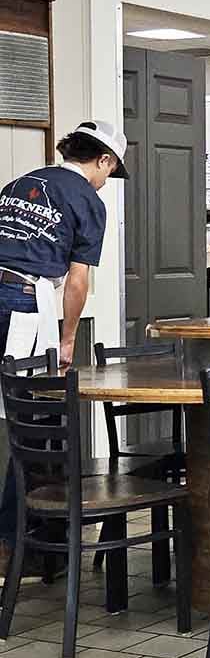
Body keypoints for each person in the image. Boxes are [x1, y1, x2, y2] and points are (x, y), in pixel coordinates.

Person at [0, 119, 128, 575]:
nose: (107, 181)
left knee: (26, 420)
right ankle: (14, 545)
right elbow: (77, 280)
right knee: (32, 422)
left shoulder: (20, 183)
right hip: (20, 303)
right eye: (110, 172)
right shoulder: (88, 201)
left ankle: (35, 543)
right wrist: (68, 337)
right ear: (103, 160)